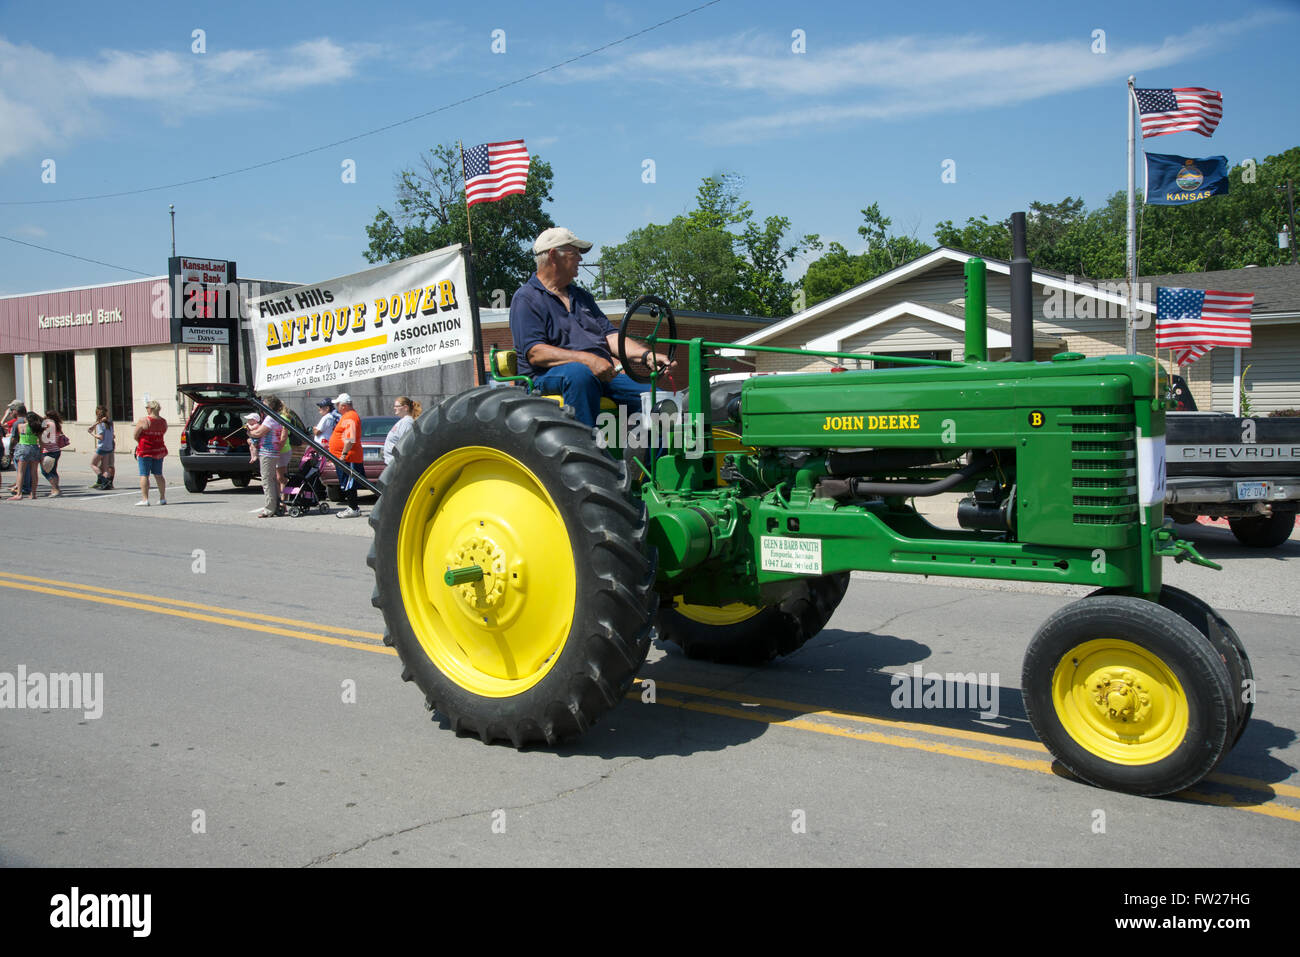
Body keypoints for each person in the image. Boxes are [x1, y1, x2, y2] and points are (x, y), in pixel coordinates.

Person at [508, 226, 675, 427]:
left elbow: (611, 337)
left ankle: (647, 457)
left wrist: (647, 356)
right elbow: (535, 352)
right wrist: (589, 360)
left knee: (655, 399)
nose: (580, 258)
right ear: (553, 255)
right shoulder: (526, 297)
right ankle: (585, 453)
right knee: (580, 374)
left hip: (599, 374)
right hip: (545, 377)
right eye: (575, 252)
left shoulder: (582, 297)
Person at [329, 393, 363, 518]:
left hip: (349, 457)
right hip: (346, 457)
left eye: (337, 404)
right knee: (348, 483)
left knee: (350, 483)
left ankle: (353, 508)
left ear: (343, 406)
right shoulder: (348, 416)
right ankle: (352, 507)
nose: (336, 407)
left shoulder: (350, 417)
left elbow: (350, 438)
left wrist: (343, 454)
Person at [245, 410, 283, 518]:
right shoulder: (277, 417)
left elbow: (258, 433)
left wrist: (249, 433)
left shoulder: (269, 419)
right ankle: (276, 506)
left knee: (267, 481)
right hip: (273, 452)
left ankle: (269, 509)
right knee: (272, 480)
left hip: (267, 452)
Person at [133, 399, 168, 506]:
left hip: (145, 450)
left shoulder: (144, 420)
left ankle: (145, 499)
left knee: (144, 474)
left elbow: (135, 435)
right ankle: (162, 498)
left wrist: (140, 441)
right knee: (158, 474)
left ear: (150, 409)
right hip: (159, 450)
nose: (146, 410)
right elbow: (163, 433)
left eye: (147, 408)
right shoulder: (163, 421)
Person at [7, 412, 43, 501]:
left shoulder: (20, 426)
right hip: (34, 447)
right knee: (34, 472)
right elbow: (41, 442)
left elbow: (19, 437)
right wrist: (41, 452)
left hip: (23, 447)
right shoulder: (37, 428)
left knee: (21, 472)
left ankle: (19, 494)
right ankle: (33, 493)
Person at [382, 396, 421, 465]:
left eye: (397, 406)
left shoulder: (406, 422)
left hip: (397, 464)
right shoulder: (404, 421)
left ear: (405, 408)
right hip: (393, 463)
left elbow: (406, 444)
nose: (394, 408)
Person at [39, 410, 68, 497]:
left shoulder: (46, 423)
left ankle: (55, 489)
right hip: (56, 450)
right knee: (53, 471)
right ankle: (56, 489)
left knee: (45, 472)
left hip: (48, 451)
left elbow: (43, 436)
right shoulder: (57, 424)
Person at [88, 406, 115, 489]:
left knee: (93, 464)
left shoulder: (101, 424)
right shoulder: (110, 423)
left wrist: (92, 434)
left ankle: (103, 479)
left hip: (102, 447)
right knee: (105, 468)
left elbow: (100, 437)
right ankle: (106, 483)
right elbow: (113, 435)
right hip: (109, 447)